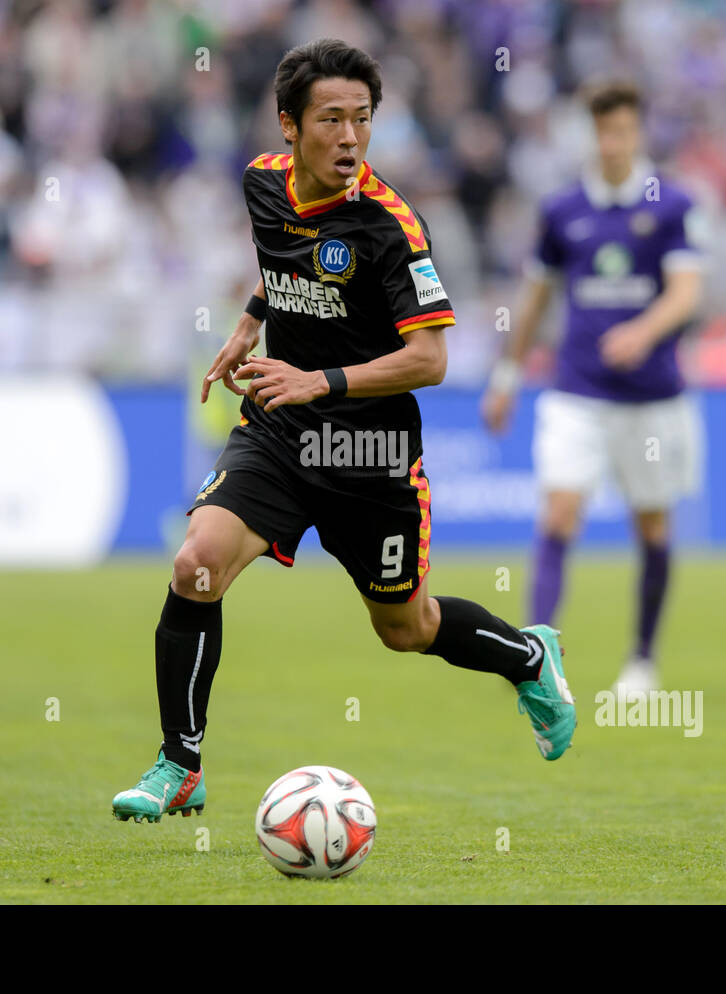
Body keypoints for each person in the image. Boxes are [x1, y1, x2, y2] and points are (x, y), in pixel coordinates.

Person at [113, 39, 576, 824]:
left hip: (371, 454)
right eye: (332, 119)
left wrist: (317, 380)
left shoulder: (391, 225)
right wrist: (250, 325)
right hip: (280, 433)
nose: (351, 137)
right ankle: (179, 764)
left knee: (407, 627)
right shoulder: (263, 182)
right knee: (197, 563)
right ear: (289, 126)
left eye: (362, 119)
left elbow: (430, 357)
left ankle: (528, 656)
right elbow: (281, 258)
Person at [481, 80, 705, 700]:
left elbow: (687, 292)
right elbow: (534, 300)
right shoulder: (562, 210)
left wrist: (643, 331)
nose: (614, 143)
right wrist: (506, 375)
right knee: (558, 512)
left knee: (653, 527)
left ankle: (642, 661)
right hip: (576, 388)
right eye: (604, 131)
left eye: (624, 131)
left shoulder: (672, 204)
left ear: (639, 133)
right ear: (592, 133)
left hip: (652, 396)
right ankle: (533, 662)